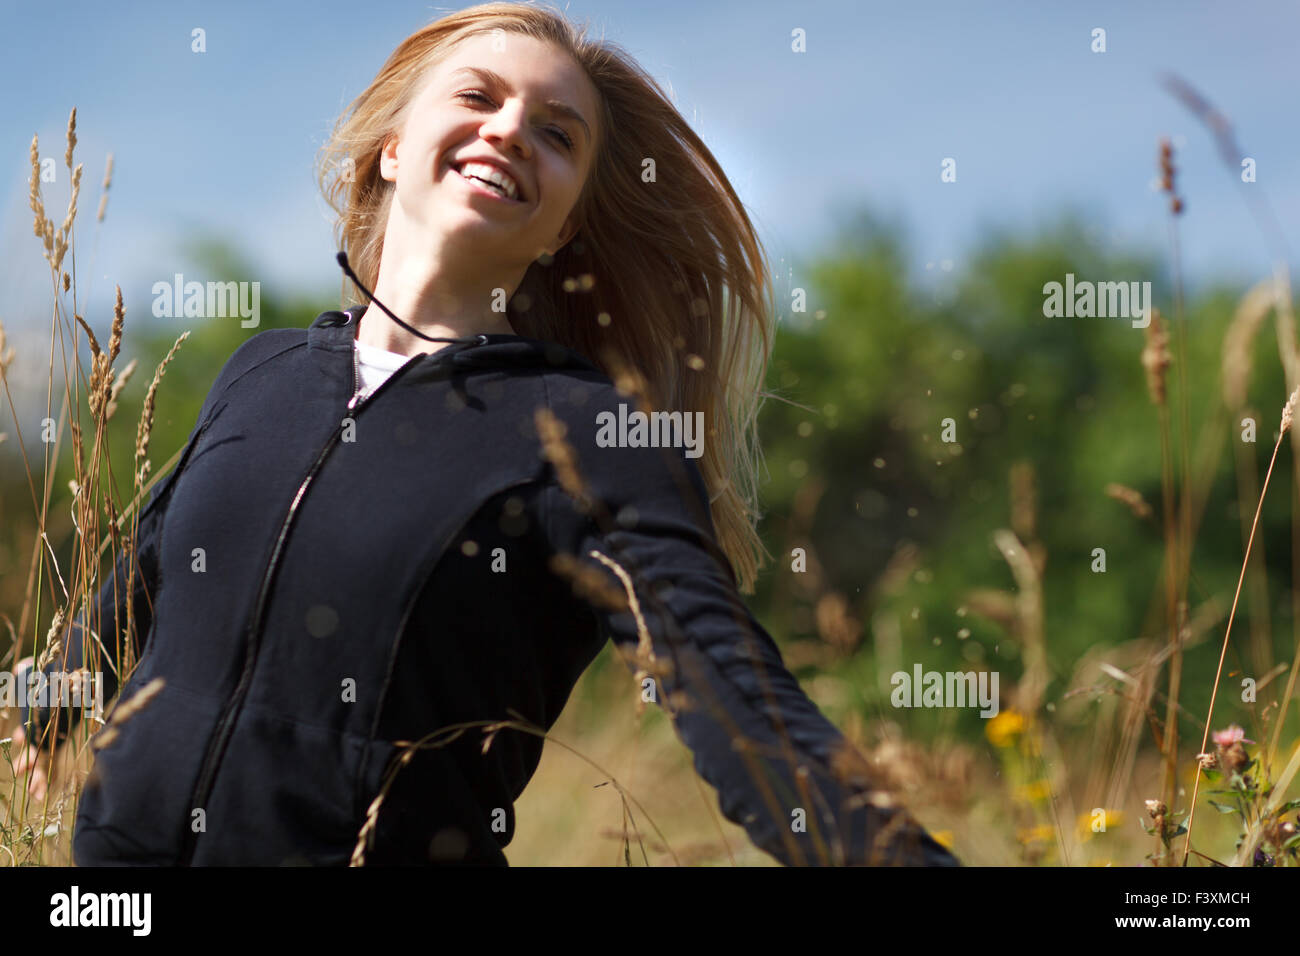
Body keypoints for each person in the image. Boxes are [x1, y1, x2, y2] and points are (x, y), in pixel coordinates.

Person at [15, 2, 959, 867]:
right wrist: (38, 710)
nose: (510, 129)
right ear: (391, 147)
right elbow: (144, 570)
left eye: (557, 134)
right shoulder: (263, 372)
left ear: (562, 228)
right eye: (478, 95)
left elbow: (728, 691)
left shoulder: (588, 435)